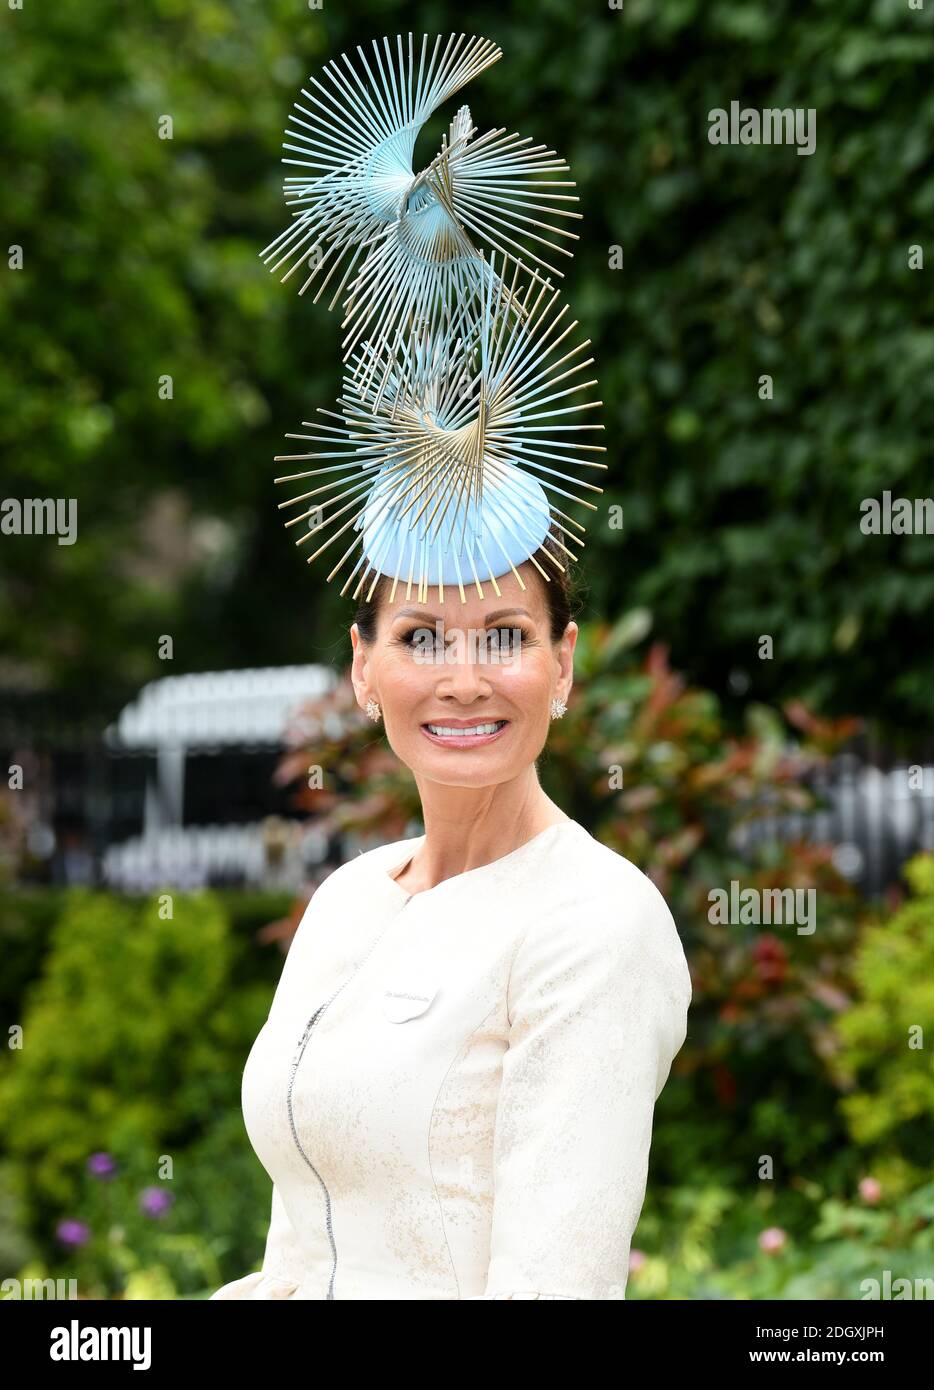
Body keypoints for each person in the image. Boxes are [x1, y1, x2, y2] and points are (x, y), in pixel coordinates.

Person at [209, 31, 691, 1300]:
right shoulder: (350, 903)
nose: (464, 678)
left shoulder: (595, 927)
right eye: (421, 636)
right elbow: (296, 1259)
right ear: (363, 669)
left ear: (564, 665)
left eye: (505, 636)